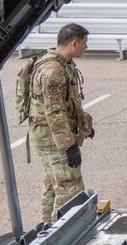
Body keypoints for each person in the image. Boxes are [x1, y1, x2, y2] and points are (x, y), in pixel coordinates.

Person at [28, 23, 96, 223]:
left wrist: (84, 125)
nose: (86, 47)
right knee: (70, 189)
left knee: (53, 184)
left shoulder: (63, 65)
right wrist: (69, 146)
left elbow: (69, 103)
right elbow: (54, 111)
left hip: (51, 137)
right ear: (73, 43)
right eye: (84, 43)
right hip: (53, 140)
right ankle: (63, 237)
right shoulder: (53, 71)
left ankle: (46, 227)